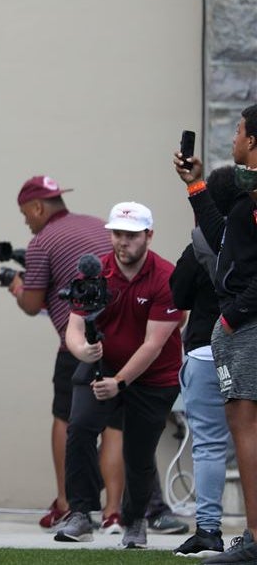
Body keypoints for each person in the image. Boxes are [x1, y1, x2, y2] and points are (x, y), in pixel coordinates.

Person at [53, 201, 182, 550]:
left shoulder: (166, 277)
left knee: (139, 453)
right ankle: (81, 513)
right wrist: (83, 351)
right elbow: (75, 328)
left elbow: (153, 345)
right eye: (117, 234)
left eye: (131, 235)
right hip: (102, 367)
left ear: (148, 236)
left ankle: (136, 520)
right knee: (79, 429)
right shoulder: (94, 274)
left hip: (153, 377)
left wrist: (120, 382)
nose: (122, 242)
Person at [6, 175, 125, 532]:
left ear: (38, 208)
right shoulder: (97, 226)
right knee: (113, 425)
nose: (26, 221)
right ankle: (113, 512)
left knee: (66, 419)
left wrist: (16, 286)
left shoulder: (42, 241)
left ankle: (67, 502)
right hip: (121, 341)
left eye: (26, 214)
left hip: (79, 344)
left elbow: (32, 302)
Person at [174, 103, 257, 565]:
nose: (234, 139)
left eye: (240, 131)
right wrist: (195, 185)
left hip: (246, 324)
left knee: (245, 426)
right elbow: (225, 239)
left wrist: (232, 317)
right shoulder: (247, 198)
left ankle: (255, 538)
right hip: (242, 324)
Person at [167, 167, 244, 557]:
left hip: (204, 350)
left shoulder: (200, 243)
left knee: (210, 446)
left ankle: (210, 529)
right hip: (249, 347)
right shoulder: (250, 239)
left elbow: (177, 294)